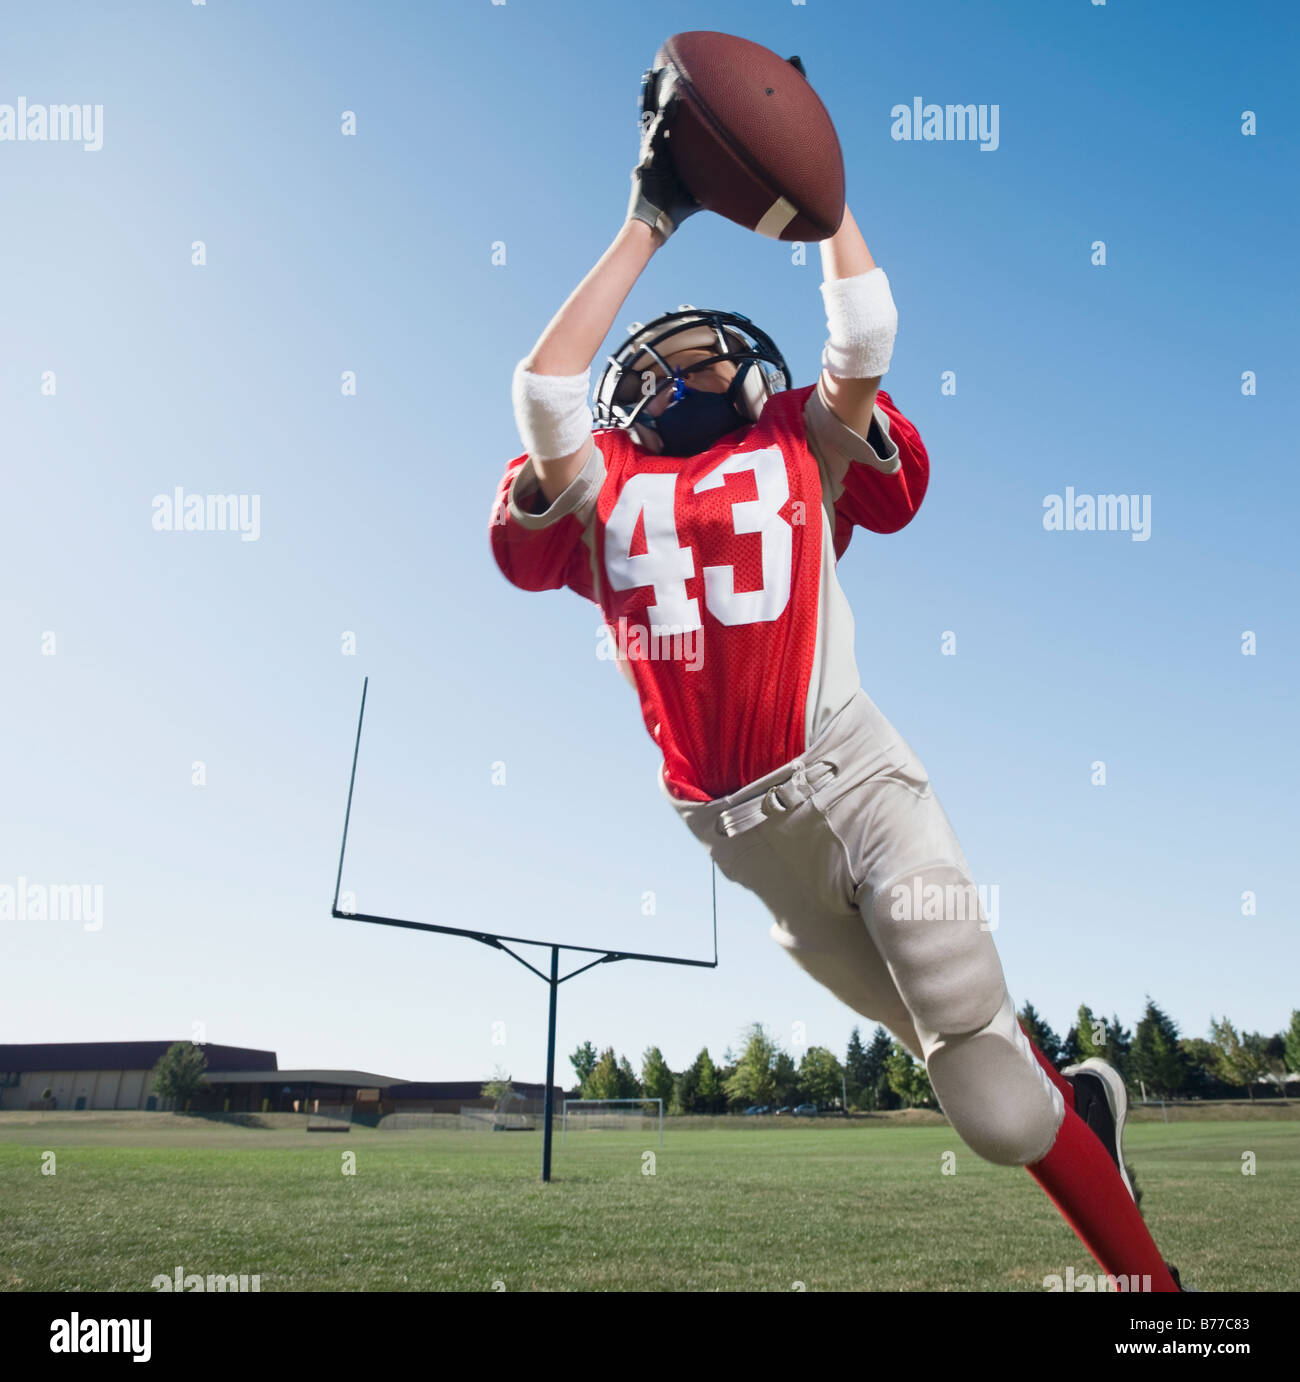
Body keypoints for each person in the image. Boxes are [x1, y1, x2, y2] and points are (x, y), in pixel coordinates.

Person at [489, 65, 1184, 1292]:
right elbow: (541, 388)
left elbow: (862, 333)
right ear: (632, 388)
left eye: (716, 348)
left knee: (993, 1104)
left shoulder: (793, 438)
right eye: (676, 354)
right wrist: (648, 217)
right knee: (996, 1094)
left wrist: (821, 185)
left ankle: (1155, 1298)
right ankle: (1074, 1101)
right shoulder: (593, 474)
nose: (699, 362)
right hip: (743, 844)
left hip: (853, 774)